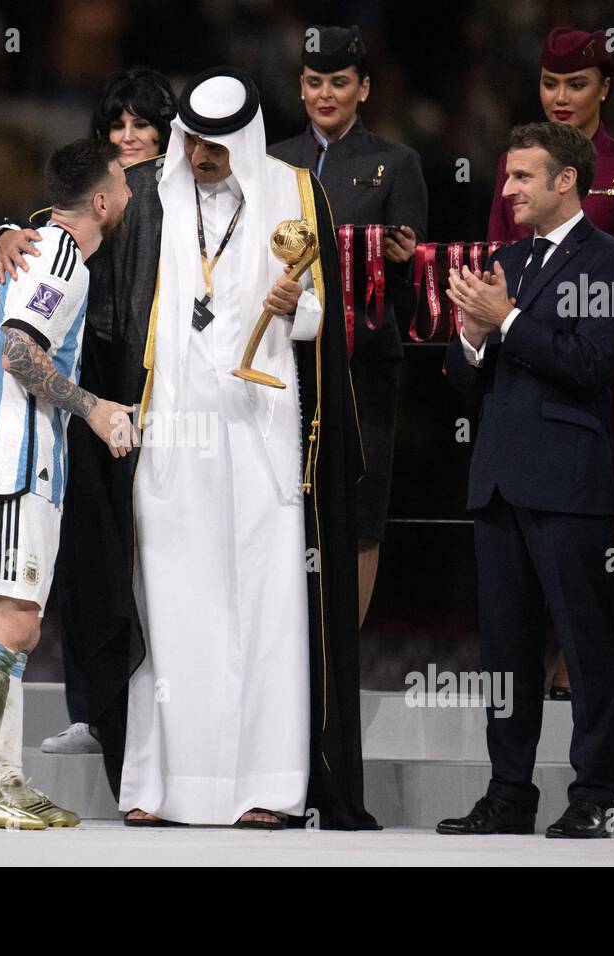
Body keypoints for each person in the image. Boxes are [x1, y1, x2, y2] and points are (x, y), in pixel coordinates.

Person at [0, 66, 371, 830]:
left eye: (215, 144)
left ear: (245, 139)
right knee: (171, 606)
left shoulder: (295, 194)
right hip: (169, 431)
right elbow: (70, 216)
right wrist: (2, 234)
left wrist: (296, 307)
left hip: (260, 429)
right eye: (192, 141)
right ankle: (160, 787)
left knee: (265, 609)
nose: (199, 156)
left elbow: (320, 322)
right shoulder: (150, 193)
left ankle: (267, 789)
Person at [437, 122, 614, 838]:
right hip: (497, 476)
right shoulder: (506, 259)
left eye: (524, 176)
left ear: (566, 181)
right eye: (506, 175)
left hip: (568, 479)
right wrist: (469, 334)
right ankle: (509, 793)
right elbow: (463, 379)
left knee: (583, 644)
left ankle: (593, 797)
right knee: (505, 651)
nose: (509, 189)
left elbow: (591, 365)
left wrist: (508, 318)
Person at [0, 138, 135, 830]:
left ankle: (1, 774)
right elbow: (21, 350)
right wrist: (96, 407)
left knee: (16, 628)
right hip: (16, 464)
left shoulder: (27, 249)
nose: (131, 198)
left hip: (3, 462)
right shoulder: (59, 258)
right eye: (125, 187)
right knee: (12, 620)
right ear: (104, 200)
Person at [486, 27, 614, 700]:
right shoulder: (518, 160)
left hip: (593, 363)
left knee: (585, 513)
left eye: (577, 83)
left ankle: (574, 657)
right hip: (516, 363)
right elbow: (499, 255)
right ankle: (535, 671)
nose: (561, 96)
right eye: (550, 83)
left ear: (605, 88)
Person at [268, 24, 428, 626]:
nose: (325, 94)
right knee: (285, 503)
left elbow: (414, 295)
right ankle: (290, 655)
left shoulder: (397, 164)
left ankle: (345, 654)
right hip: (284, 360)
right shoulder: (273, 161)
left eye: (339, 82)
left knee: (358, 511)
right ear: (300, 87)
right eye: (314, 82)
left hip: (364, 365)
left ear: (365, 89)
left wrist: (405, 261)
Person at [42, 68, 177, 759]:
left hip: (163, 402)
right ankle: (93, 712)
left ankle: (143, 711)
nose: (128, 136)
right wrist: (4, 235)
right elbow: (44, 235)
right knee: (86, 558)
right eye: (117, 124)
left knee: (149, 559)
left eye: (141, 123)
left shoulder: (184, 197)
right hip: (89, 401)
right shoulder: (93, 198)